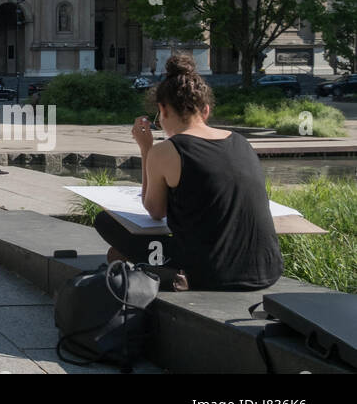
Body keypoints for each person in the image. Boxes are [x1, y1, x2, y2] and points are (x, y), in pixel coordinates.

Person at [93, 53, 283, 291]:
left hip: (209, 273)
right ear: (205, 110)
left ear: (162, 109)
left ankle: (168, 272)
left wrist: (146, 150)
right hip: (268, 269)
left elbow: (154, 211)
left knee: (105, 222)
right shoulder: (241, 142)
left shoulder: (167, 150)